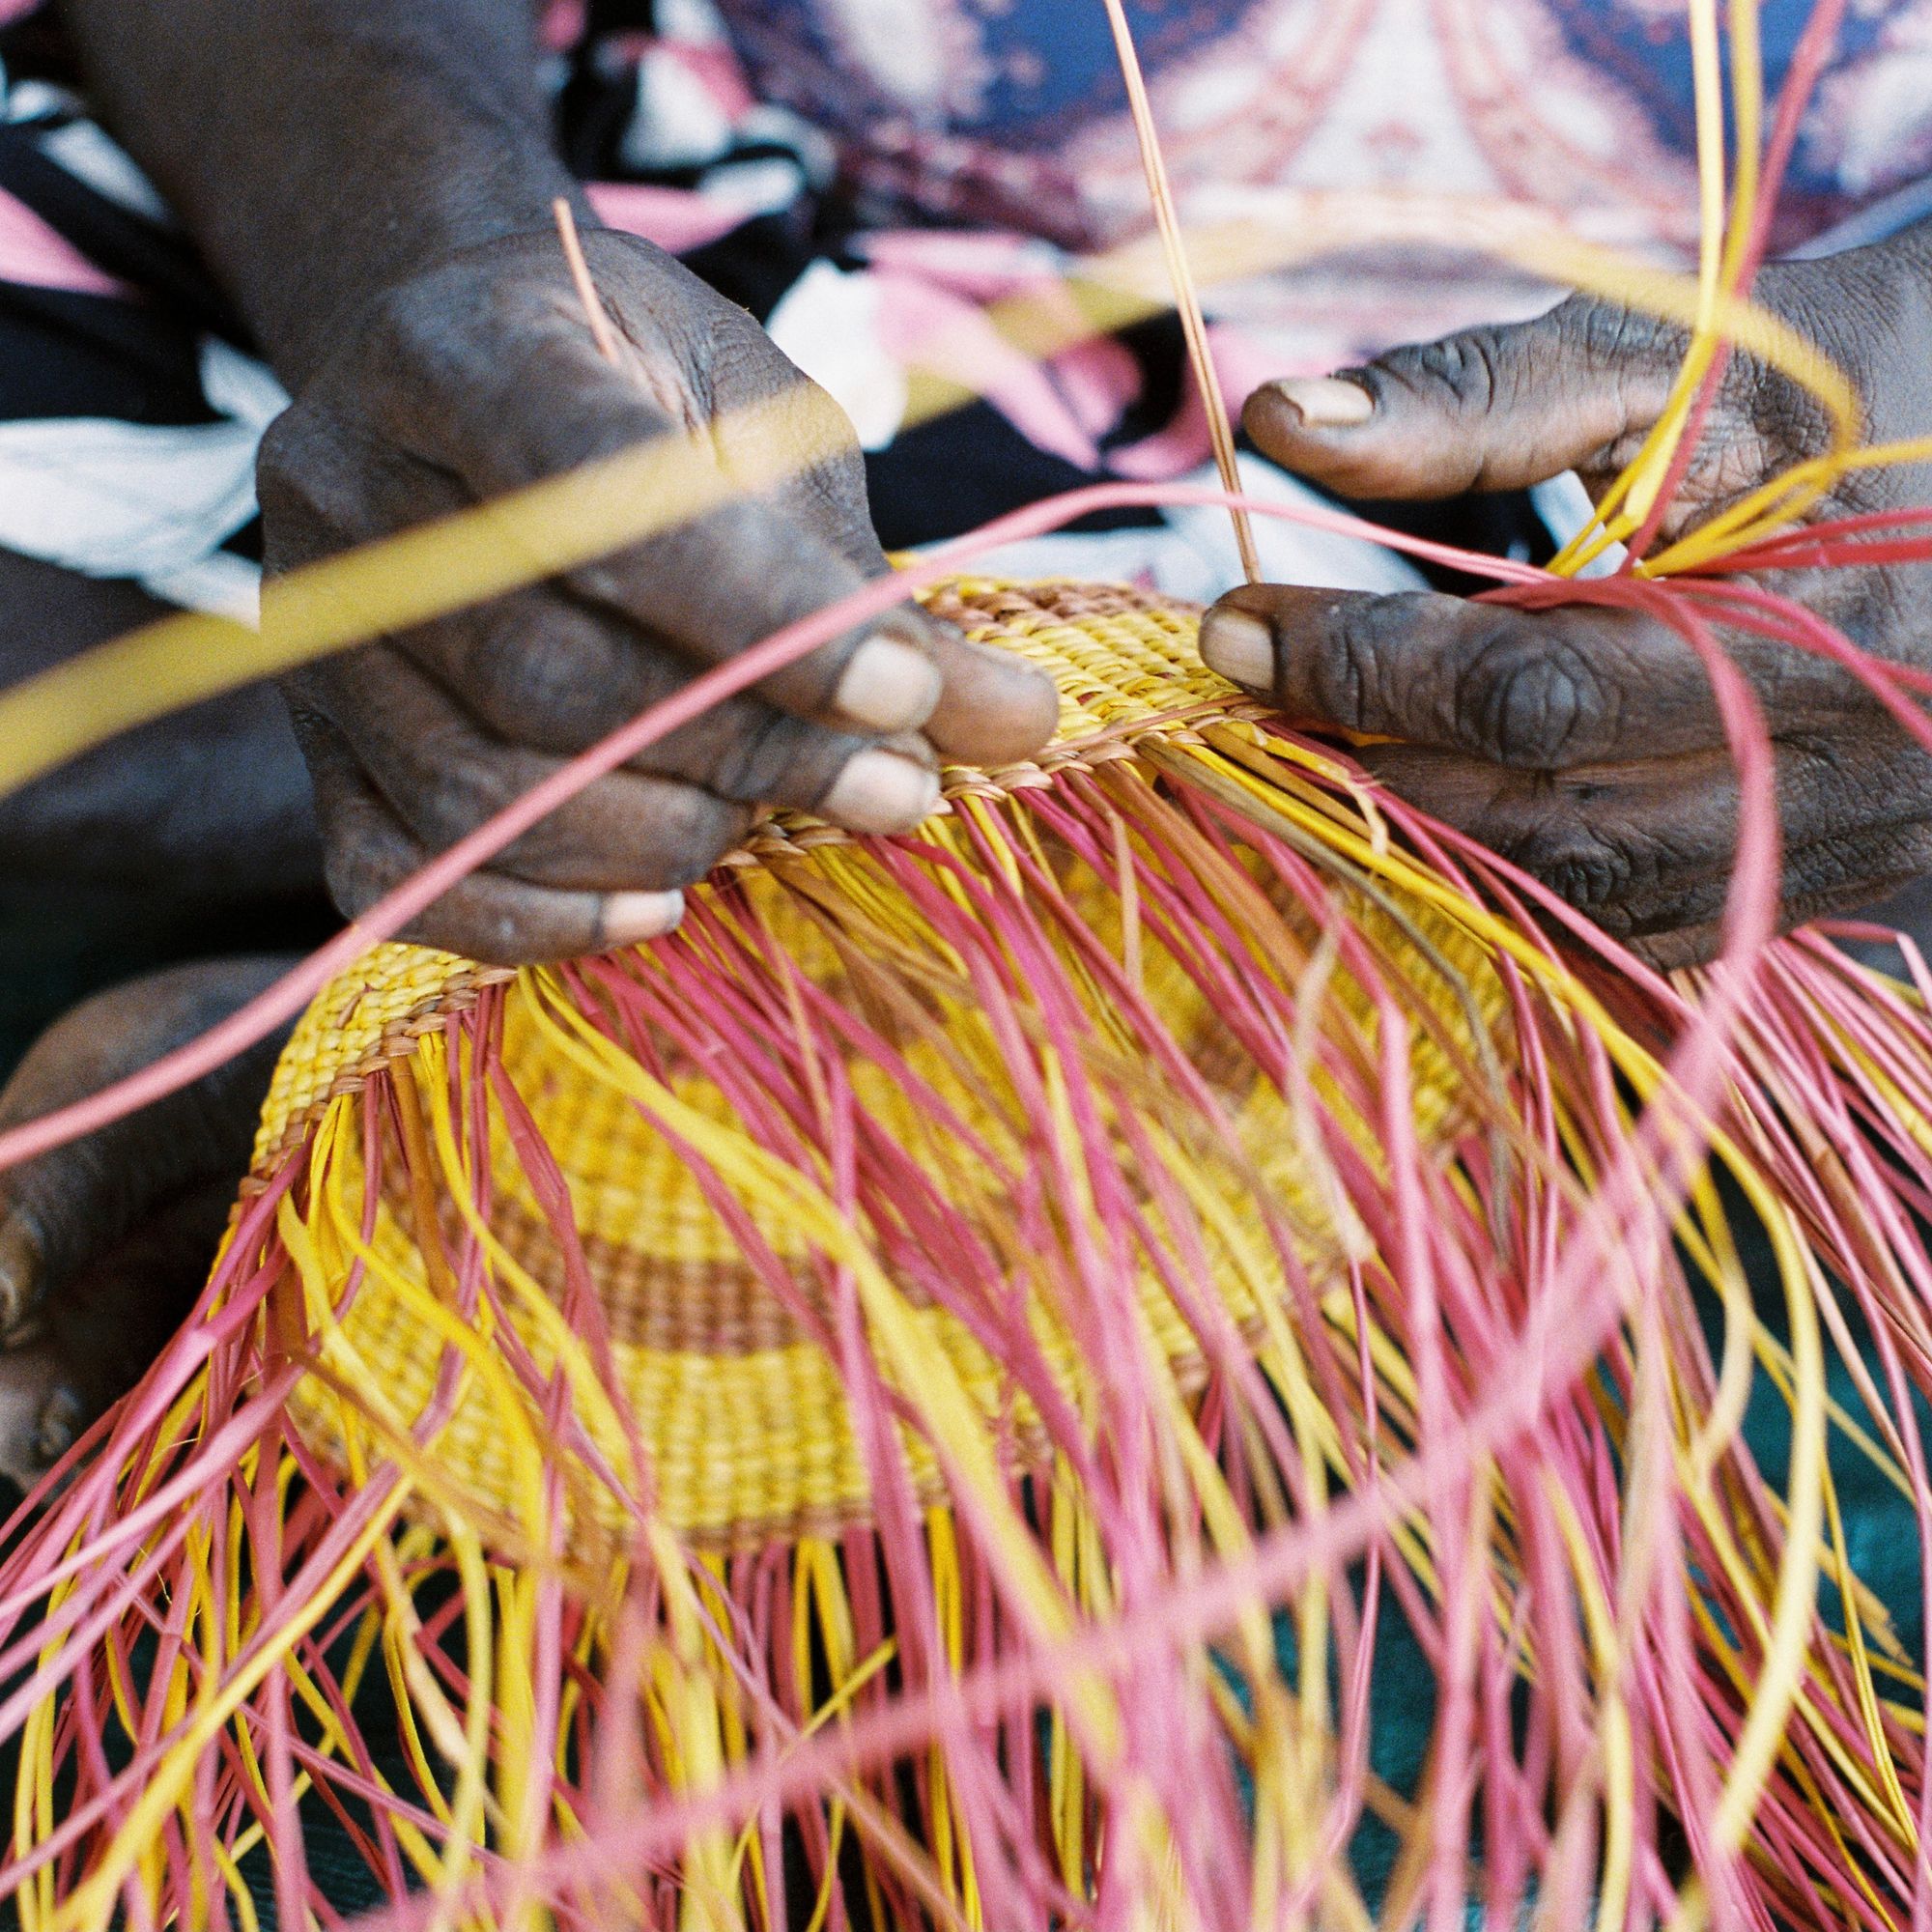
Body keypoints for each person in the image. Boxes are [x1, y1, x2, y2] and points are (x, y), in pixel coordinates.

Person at [0, 0, 1926, 1479]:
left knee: (1637, 722)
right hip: (654, 202)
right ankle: (828, 971)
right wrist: (430, 255)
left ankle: (560, 1037)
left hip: (1709, 403)